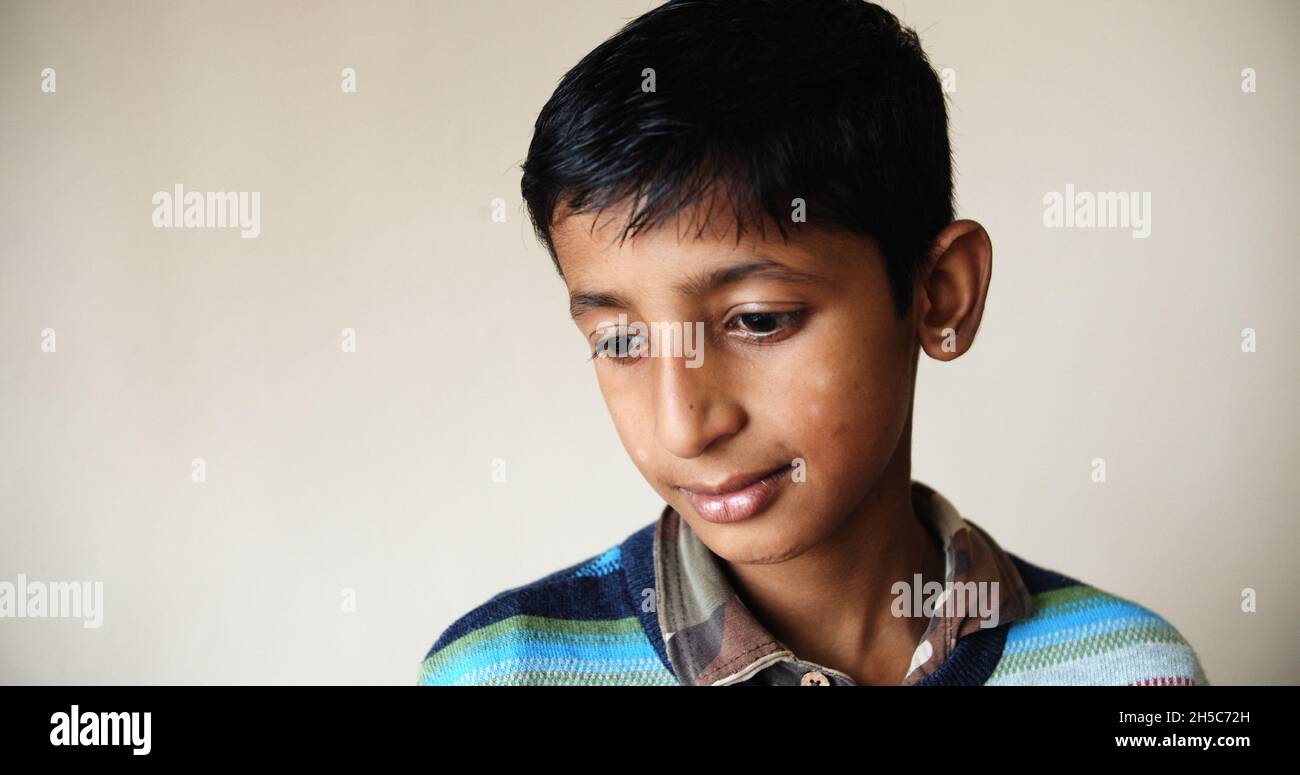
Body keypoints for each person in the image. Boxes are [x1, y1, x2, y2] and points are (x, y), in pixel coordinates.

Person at [418, 0, 1208, 686]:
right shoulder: (501, 668)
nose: (683, 425)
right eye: (621, 340)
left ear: (941, 295)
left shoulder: (1129, 669)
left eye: (758, 320)